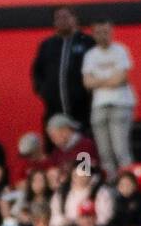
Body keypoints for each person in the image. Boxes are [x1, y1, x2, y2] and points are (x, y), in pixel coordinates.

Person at [82, 19, 136, 180]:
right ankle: (112, 184)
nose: (102, 35)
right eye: (98, 32)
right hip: (99, 106)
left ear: (111, 32)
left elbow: (121, 79)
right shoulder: (90, 55)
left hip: (121, 104)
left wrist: (98, 82)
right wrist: (109, 81)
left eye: (105, 32)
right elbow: (87, 82)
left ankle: (128, 184)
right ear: (93, 34)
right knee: (105, 153)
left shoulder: (120, 50)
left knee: (121, 150)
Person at [31, 7, 95, 136]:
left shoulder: (87, 42)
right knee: (55, 148)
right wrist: (43, 91)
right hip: (54, 109)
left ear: (75, 19)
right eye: (58, 18)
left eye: (65, 17)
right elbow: (37, 71)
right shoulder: (47, 45)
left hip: (83, 110)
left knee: (83, 148)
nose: (62, 21)